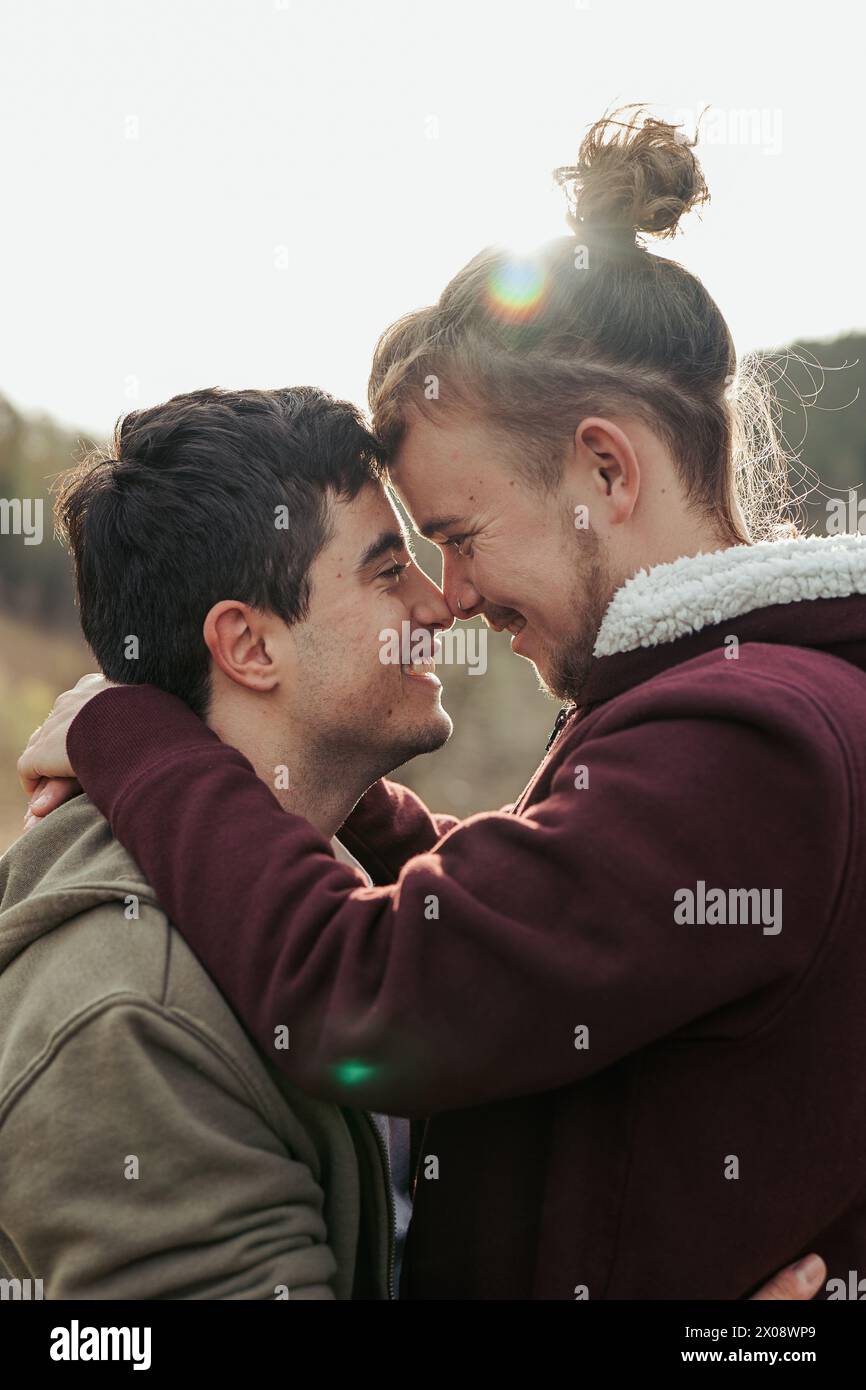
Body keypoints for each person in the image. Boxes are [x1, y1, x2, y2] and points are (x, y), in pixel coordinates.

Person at [21, 109, 850, 1302]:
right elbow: (558, 912)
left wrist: (132, 734)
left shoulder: (748, 736)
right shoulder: (738, 704)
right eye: (400, 557)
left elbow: (373, 994)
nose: (447, 596)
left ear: (604, 472)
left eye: (455, 538)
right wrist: (360, 822)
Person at [1, 384, 455, 1299]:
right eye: (387, 570)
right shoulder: (134, 1019)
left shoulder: (312, 865)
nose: (441, 606)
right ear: (248, 647)